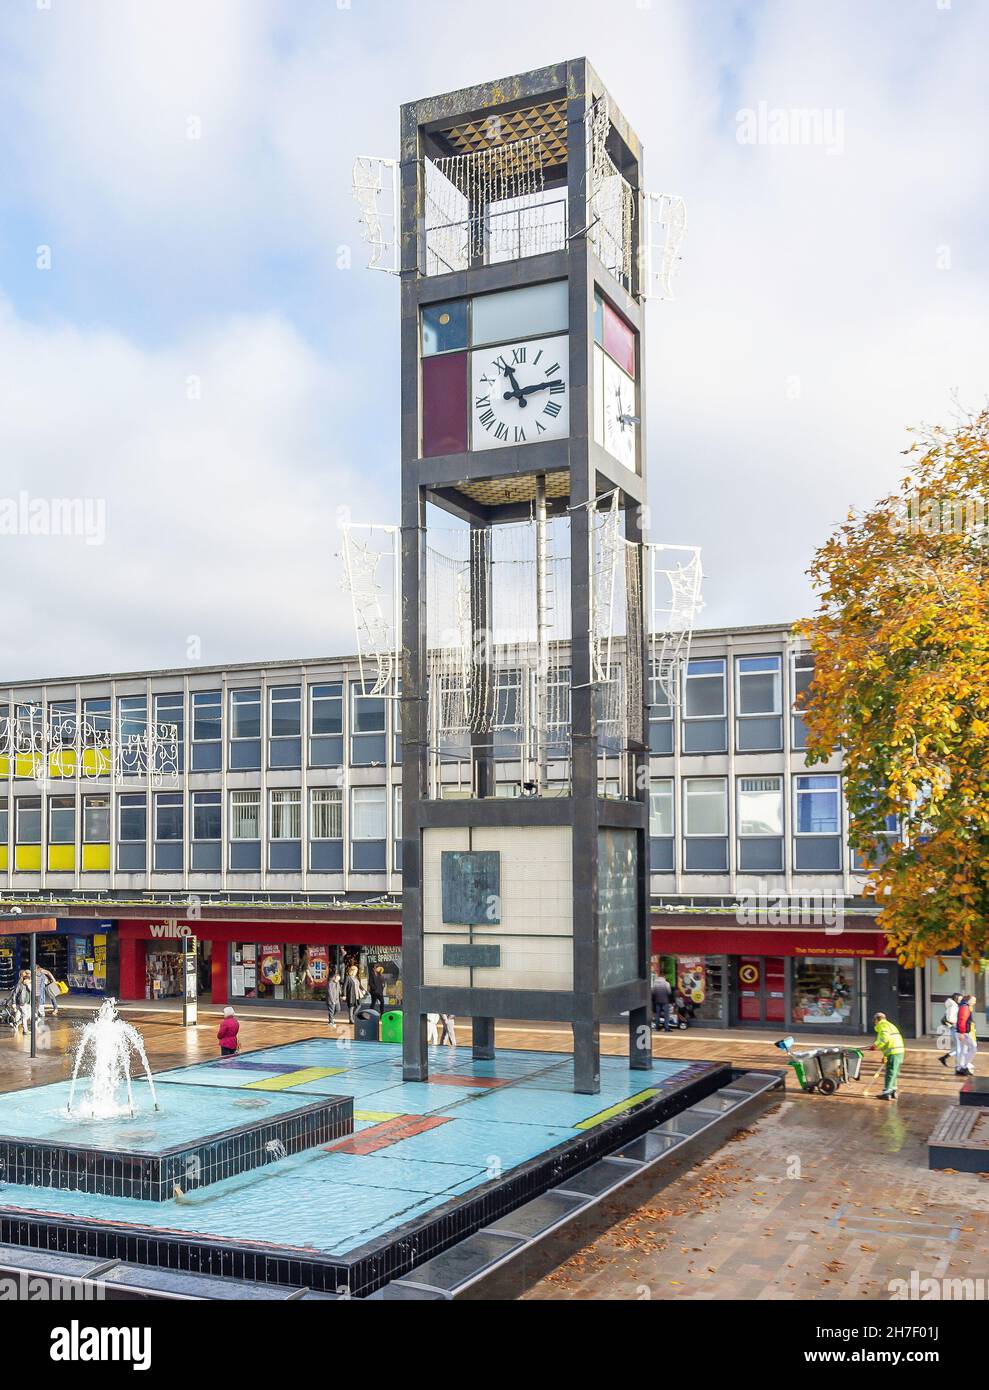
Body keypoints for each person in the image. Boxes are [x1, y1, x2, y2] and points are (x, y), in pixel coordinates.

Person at [870, 1011, 905, 1100]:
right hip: (899, 1051)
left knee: (890, 1072)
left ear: (877, 1019)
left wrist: (875, 1045)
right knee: (894, 1072)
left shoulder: (883, 1025)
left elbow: (884, 1038)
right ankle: (893, 1091)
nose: (875, 1023)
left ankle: (886, 1093)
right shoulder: (891, 1025)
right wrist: (885, 1056)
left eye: (875, 1021)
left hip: (893, 1052)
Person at [956, 995, 978, 1077]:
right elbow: (962, 1020)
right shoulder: (965, 1007)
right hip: (964, 1032)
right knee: (974, 1048)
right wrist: (962, 1032)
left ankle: (960, 1068)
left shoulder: (964, 1006)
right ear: (968, 1000)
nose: (974, 1002)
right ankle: (965, 1065)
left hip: (963, 1031)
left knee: (963, 1049)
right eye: (973, 1000)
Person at [939, 993, 961, 1069]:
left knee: (959, 1047)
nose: (961, 1000)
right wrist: (959, 1021)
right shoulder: (953, 1006)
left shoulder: (953, 1005)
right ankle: (959, 1065)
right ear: (956, 998)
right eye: (960, 998)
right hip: (955, 1028)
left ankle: (944, 1058)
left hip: (954, 1028)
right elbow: (950, 1019)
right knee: (959, 1047)